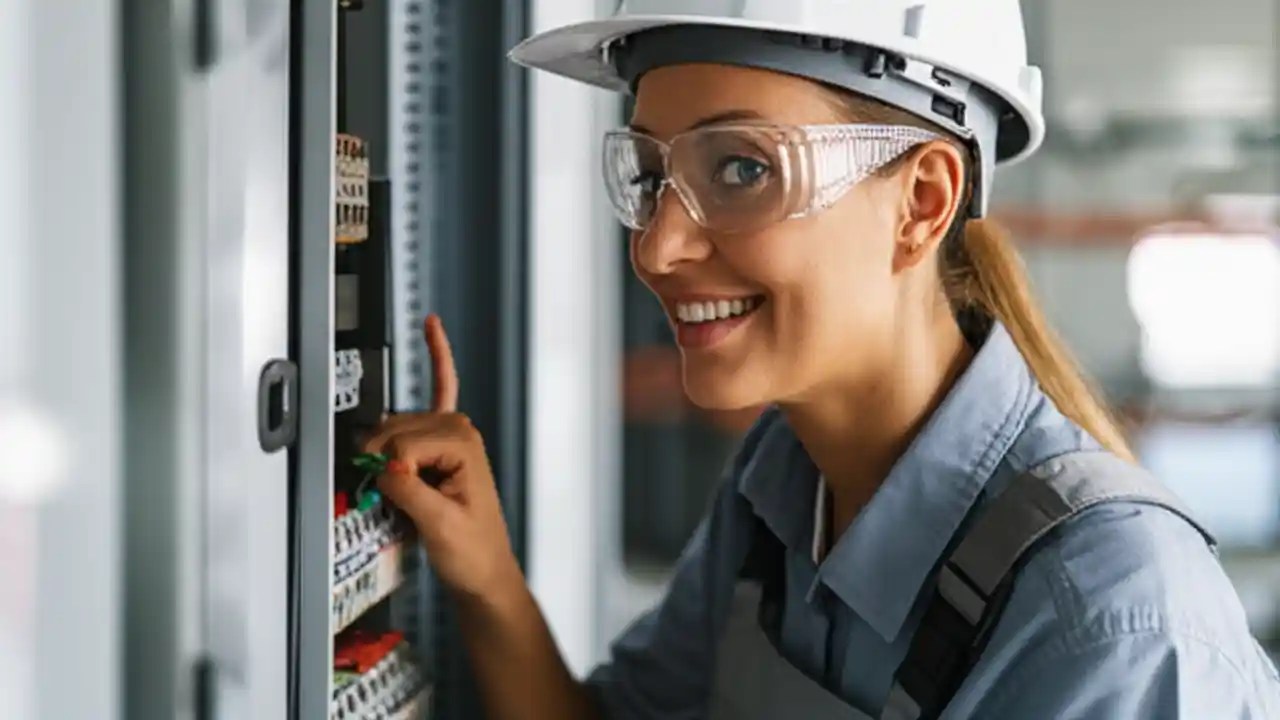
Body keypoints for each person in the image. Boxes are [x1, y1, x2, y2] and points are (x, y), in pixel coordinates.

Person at [366, 3, 1280, 718]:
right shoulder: (784, 483)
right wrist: (483, 567)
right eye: (650, 174)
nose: (657, 246)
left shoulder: (1115, 628)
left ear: (920, 203)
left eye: (741, 170)